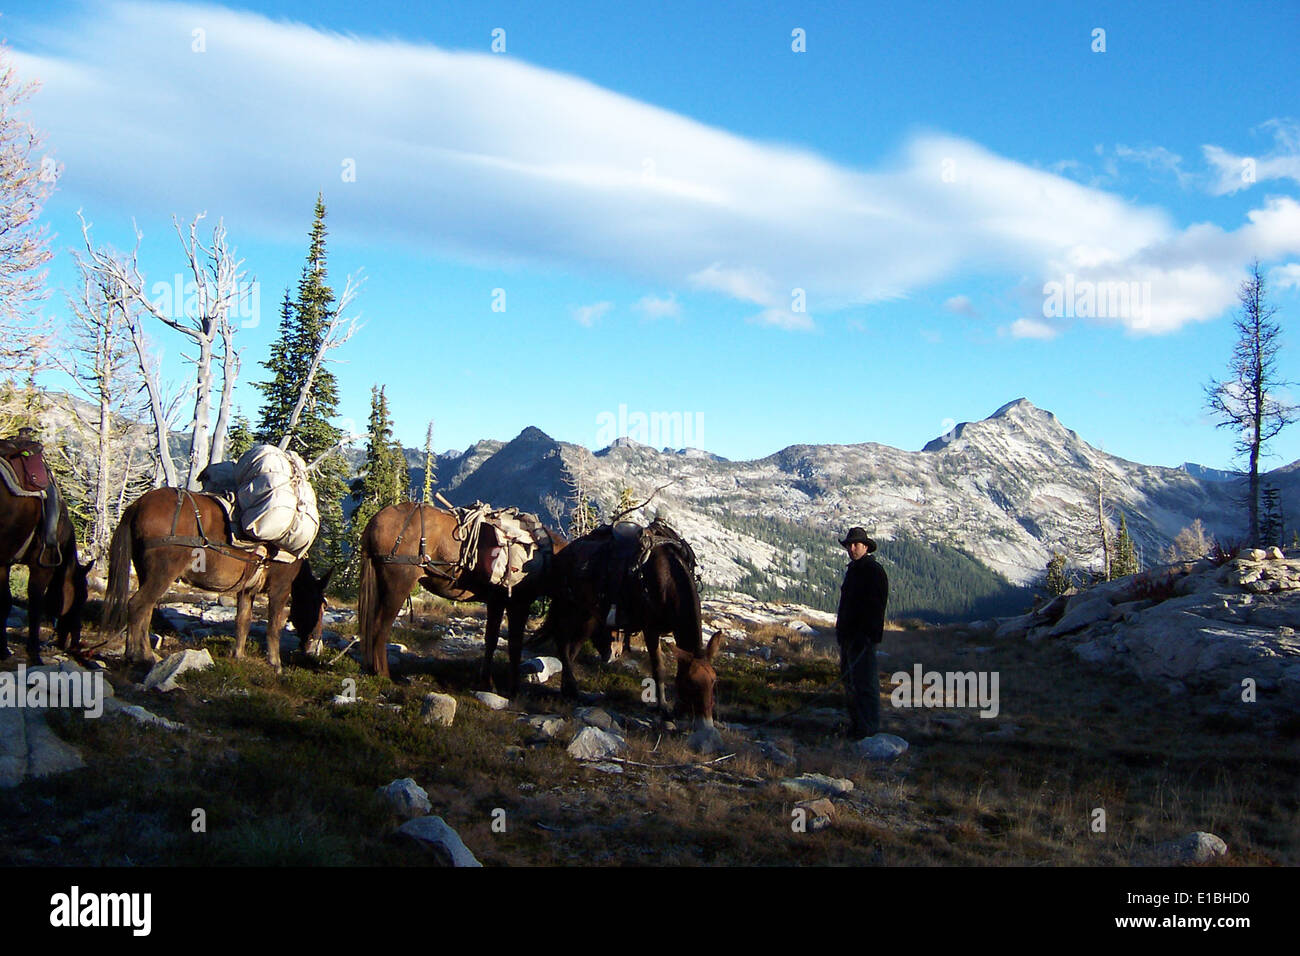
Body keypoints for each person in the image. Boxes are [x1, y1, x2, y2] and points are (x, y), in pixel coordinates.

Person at [835, 527, 888, 739]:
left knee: (864, 683)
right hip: (849, 636)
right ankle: (857, 726)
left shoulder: (872, 571)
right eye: (849, 544)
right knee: (850, 682)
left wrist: (868, 634)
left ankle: (868, 728)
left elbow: (876, 606)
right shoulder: (855, 570)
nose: (852, 548)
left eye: (856, 544)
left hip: (862, 638)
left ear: (865, 547)